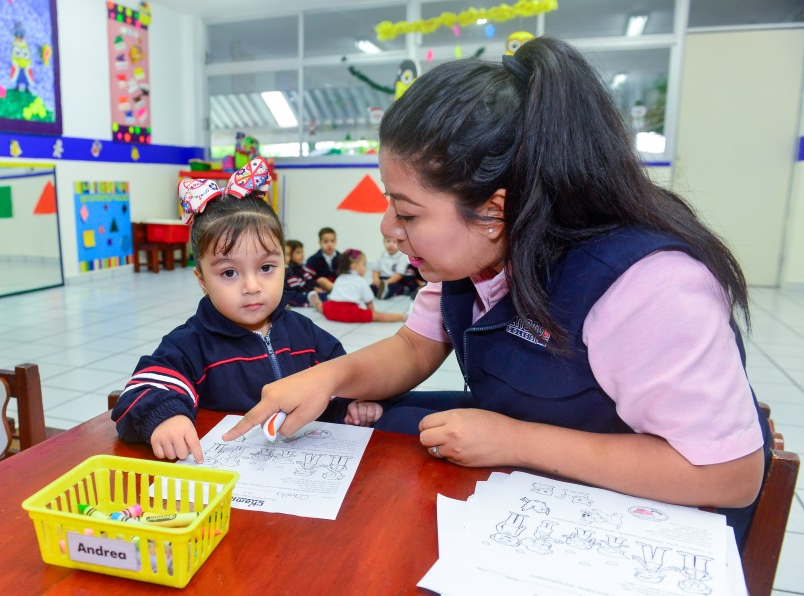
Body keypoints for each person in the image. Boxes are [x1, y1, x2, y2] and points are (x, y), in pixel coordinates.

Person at [225, 37, 769, 549]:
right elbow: (416, 348)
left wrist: (516, 441)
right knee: (357, 428)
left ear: (493, 211)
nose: (388, 228)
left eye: (407, 211)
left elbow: (729, 475)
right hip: (533, 460)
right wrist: (329, 377)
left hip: (652, 513)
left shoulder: (648, 285)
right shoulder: (471, 256)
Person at [111, 158, 356, 463]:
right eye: (229, 273)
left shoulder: (304, 332)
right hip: (228, 483)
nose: (252, 286)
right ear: (202, 280)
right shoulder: (191, 344)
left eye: (266, 267)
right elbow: (143, 389)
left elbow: (343, 375)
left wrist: (352, 403)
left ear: (285, 265)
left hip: (303, 470)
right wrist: (165, 418)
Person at [322, 249, 408, 324]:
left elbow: (333, 296)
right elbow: (369, 303)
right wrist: (373, 314)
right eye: (364, 264)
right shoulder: (360, 280)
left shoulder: (339, 278)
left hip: (331, 311)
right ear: (354, 267)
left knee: (322, 306)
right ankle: (402, 316)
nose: (365, 267)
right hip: (349, 313)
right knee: (380, 316)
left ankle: (315, 300)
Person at [283, 239, 325, 311]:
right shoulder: (289, 270)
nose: (302, 255)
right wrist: (312, 291)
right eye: (298, 252)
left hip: (303, 293)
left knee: (324, 294)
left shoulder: (301, 268)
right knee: (321, 296)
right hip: (296, 295)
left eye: (302, 252)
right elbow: (296, 289)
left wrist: (316, 287)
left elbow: (310, 281)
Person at [305, 226, 339, 291]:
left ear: (336, 242)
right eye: (326, 242)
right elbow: (308, 279)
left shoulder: (342, 258)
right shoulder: (313, 260)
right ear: (320, 243)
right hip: (321, 290)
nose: (330, 244)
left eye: (332, 241)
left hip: (339, 289)